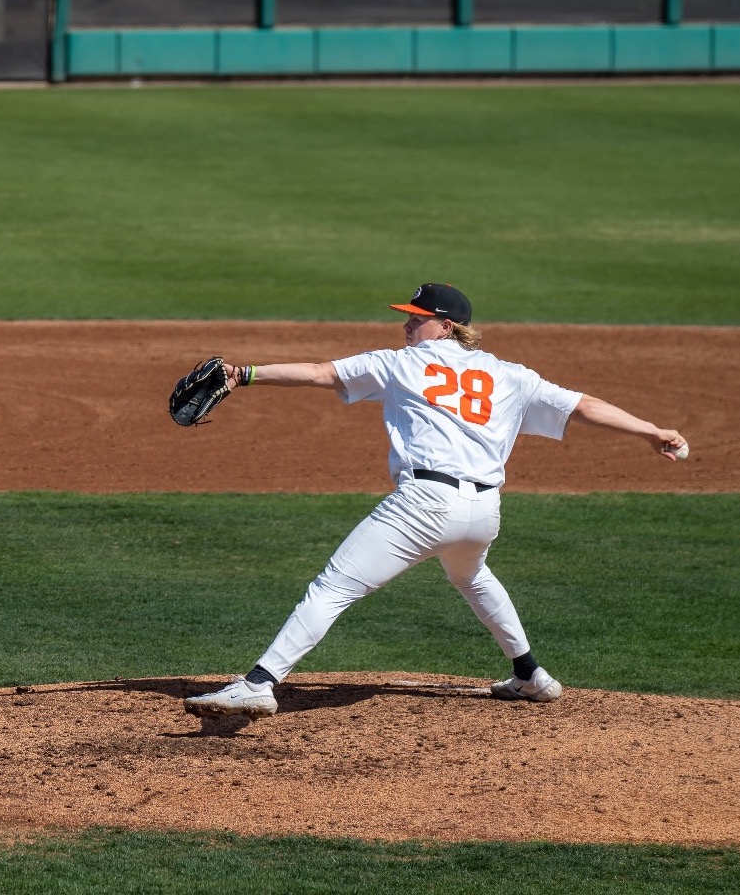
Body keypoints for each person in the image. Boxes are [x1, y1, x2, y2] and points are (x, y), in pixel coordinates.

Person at [185, 283, 688, 719]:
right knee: (472, 576)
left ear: (447, 326)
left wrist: (243, 374)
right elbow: (584, 406)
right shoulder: (510, 374)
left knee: (334, 586)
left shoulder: (399, 364)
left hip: (424, 505)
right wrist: (651, 431)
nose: (407, 325)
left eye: (418, 318)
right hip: (482, 512)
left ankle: (258, 684)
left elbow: (321, 372)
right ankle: (530, 674)